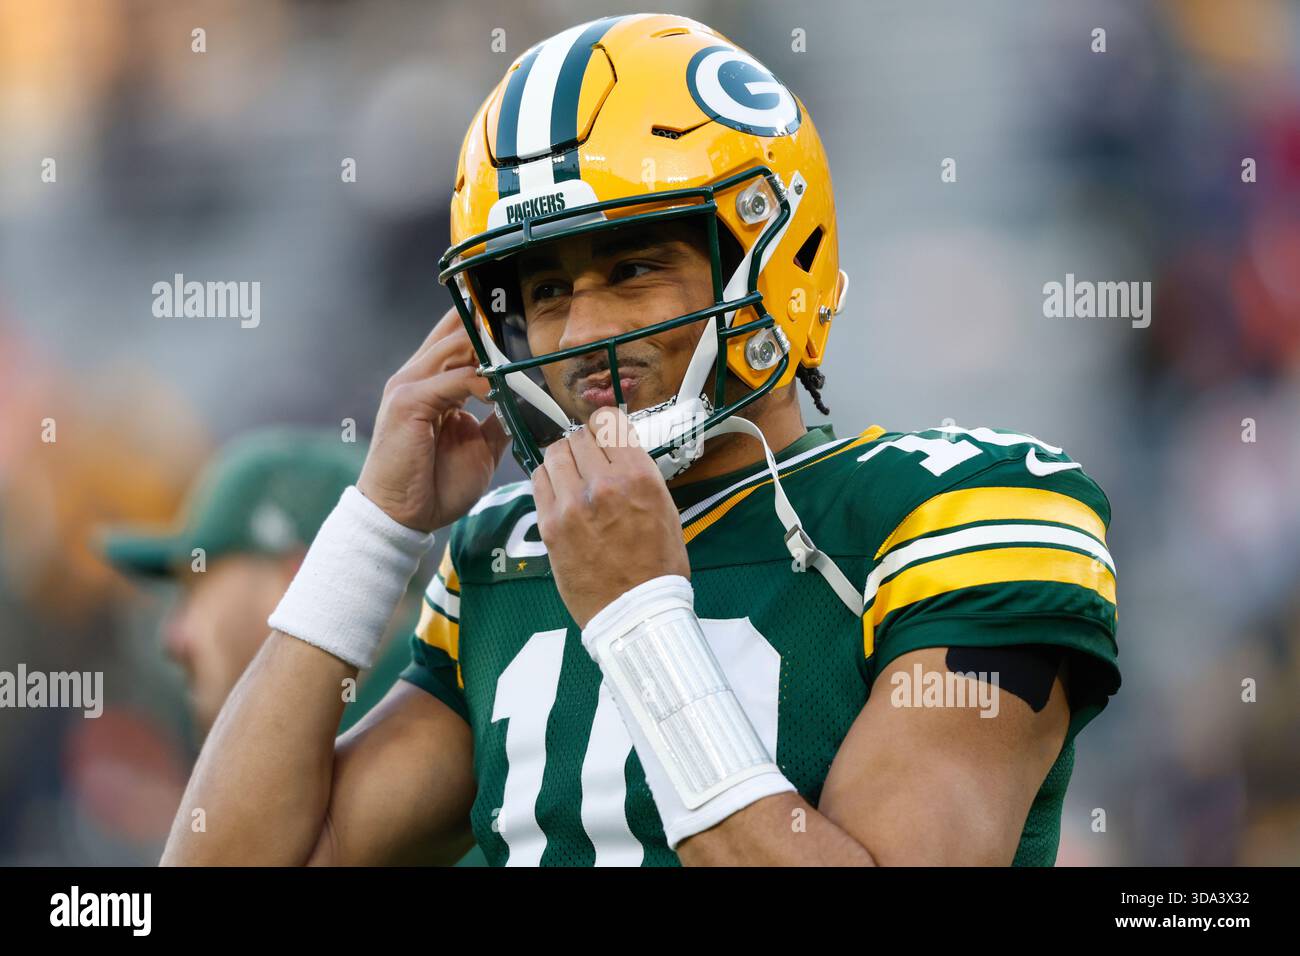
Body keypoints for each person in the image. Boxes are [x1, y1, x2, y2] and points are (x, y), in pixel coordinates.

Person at [161, 13, 1120, 867]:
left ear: (769, 257)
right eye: (543, 293)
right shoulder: (506, 559)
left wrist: (640, 625)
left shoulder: (963, 516)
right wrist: (378, 527)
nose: (579, 337)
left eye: (633, 268)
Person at [100, 428, 410, 740]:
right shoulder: (356, 735)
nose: (172, 639)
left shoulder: (419, 730)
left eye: (195, 589)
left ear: (306, 579)